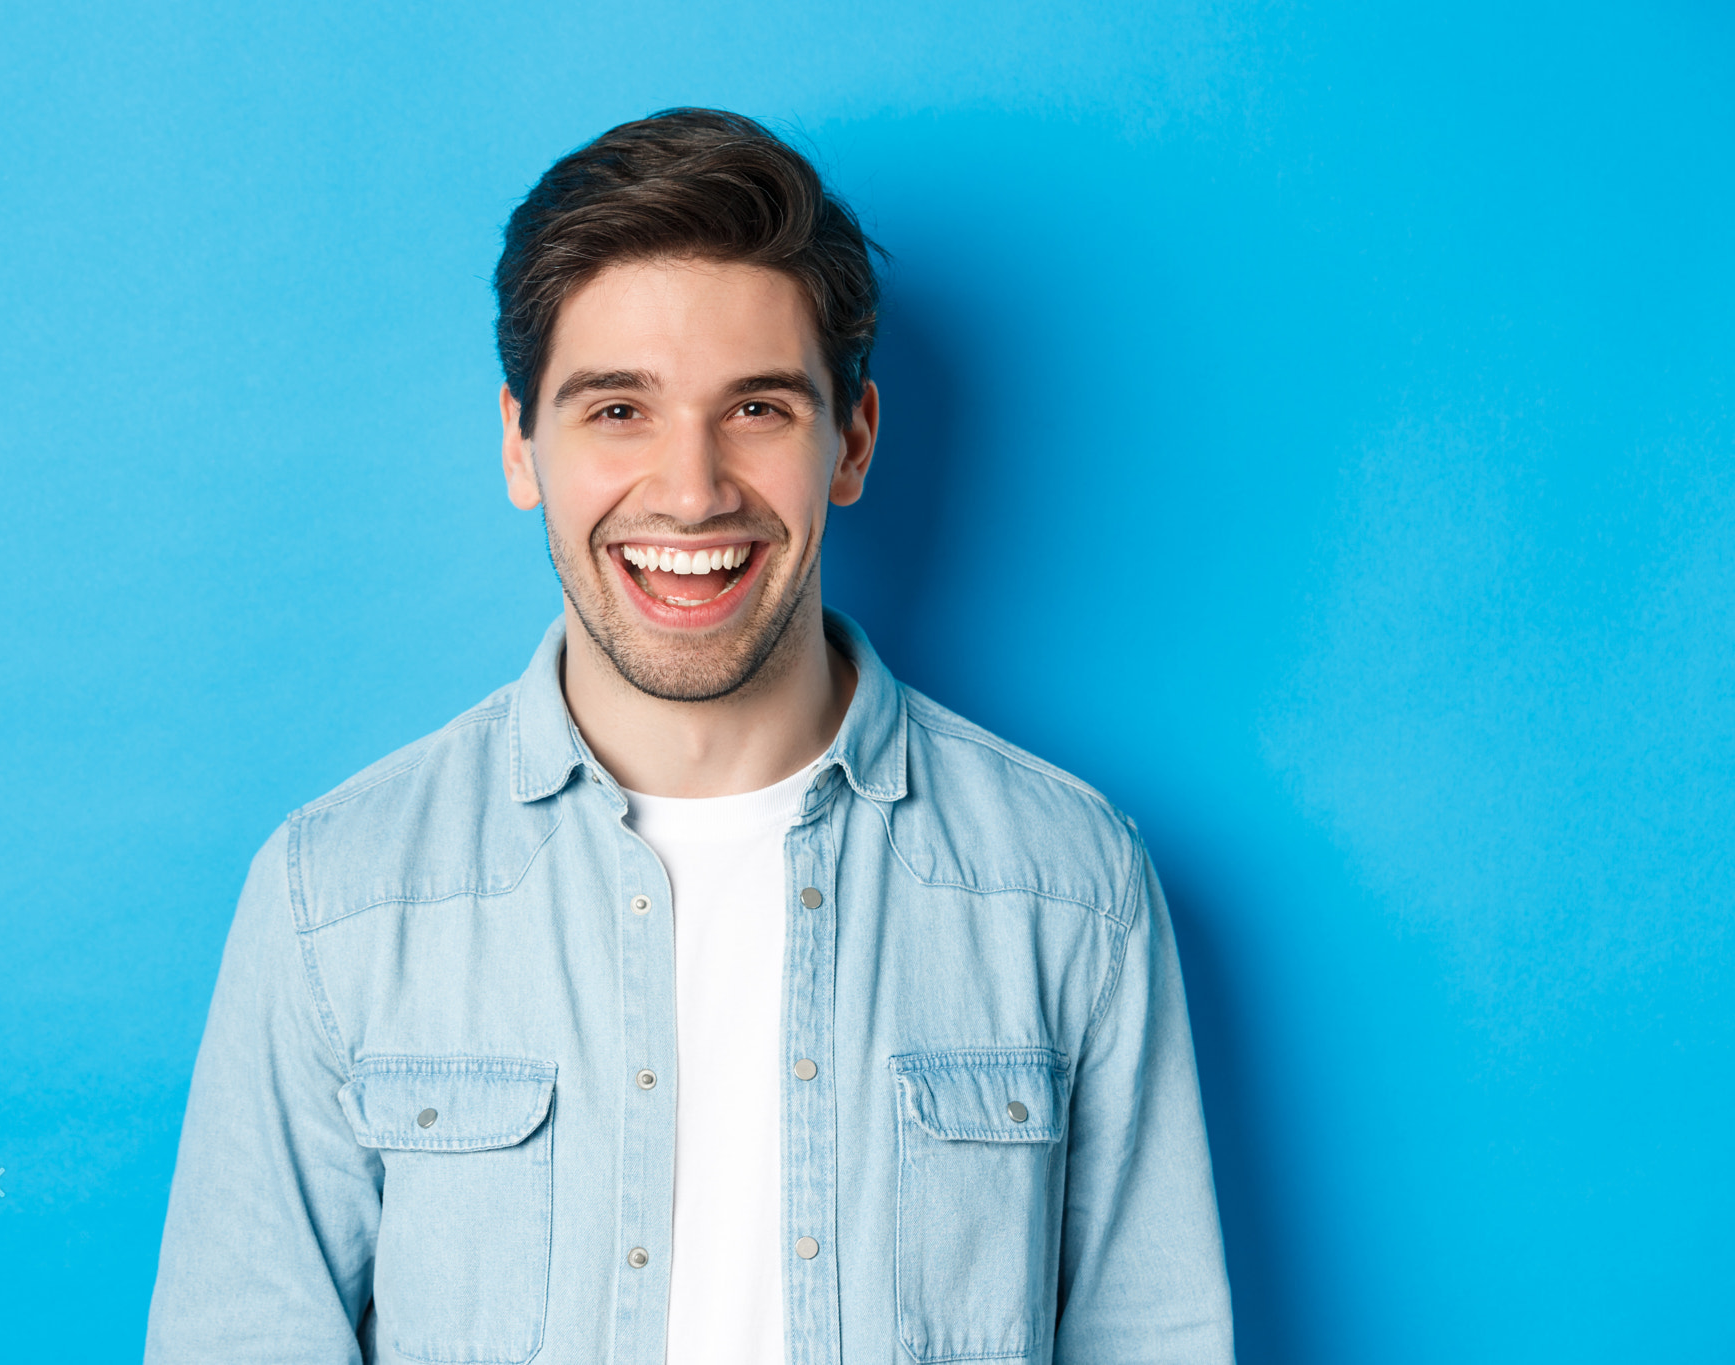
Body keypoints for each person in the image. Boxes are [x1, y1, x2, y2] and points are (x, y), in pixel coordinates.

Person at [145, 107, 1234, 1365]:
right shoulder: (334, 896)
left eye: (757, 408)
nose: (690, 489)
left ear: (853, 442)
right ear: (519, 444)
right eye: (617, 410)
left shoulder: (1066, 886)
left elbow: (1153, 1338)